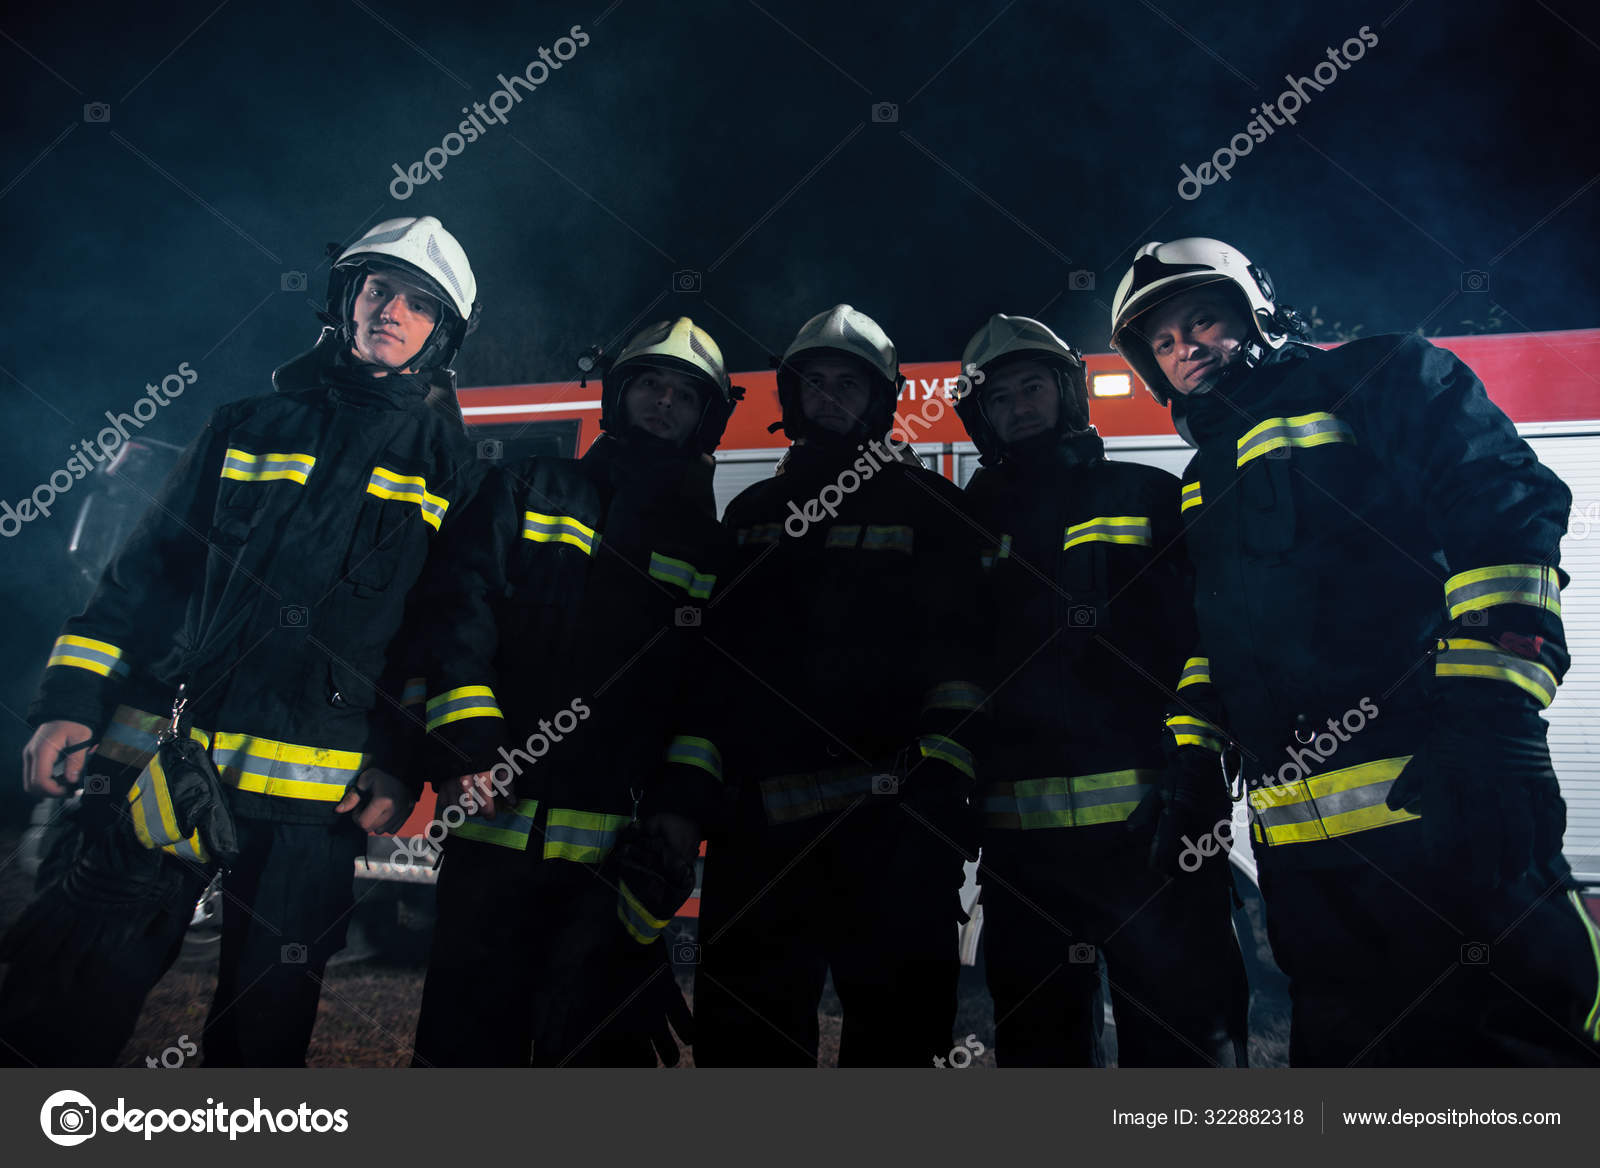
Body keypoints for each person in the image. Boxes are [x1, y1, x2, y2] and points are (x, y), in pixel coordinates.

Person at [1, 215, 481, 1067]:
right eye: (378, 290)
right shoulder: (247, 425)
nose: (391, 312)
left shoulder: (456, 472)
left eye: (417, 303)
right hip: (161, 765)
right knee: (64, 994)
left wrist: (403, 763)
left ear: (439, 335)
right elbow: (142, 578)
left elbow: (444, 635)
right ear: (347, 299)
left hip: (310, 807)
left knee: (260, 1034)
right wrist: (70, 701)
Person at [1109, 236, 1600, 1065]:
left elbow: (1504, 509)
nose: (1186, 347)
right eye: (1162, 342)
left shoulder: (1380, 374)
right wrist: (1194, 766)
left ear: (1256, 312)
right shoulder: (1205, 476)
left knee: (1518, 1055)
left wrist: (1496, 711)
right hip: (1307, 873)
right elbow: (1211, 639)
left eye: (1204, 320)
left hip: (1447, 813)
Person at [410, 317, 738, 1066]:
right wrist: (467, 743)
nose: (664, 402)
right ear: (619, 396)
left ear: (704, 418)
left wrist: (682, 811)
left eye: (684, 396)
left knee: (594, 1061)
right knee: (464, 1055)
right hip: (494, 833)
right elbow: (461, 610)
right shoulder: (529, 484)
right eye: (651, 384)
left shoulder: (707, 545)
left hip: (614, 859)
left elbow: (709, 690)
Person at [692, 304, 986, 1067]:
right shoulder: (751, 515)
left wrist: (939, 798)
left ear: (879, 400)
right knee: (745, 1044)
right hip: (758, 836)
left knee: (895, 1045)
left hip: (890, 835)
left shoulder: (931, 509)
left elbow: (963, 655)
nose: (828, 398)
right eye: (814, 383)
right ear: (789, 400)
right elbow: (716, 665)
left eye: (846, 384)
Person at [956, 313, 1249, 1066]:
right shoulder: (966, 526)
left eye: (1032, 387)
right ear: (980, 416)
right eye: (1000, 398)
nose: (1019, 406)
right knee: (1039, 1057)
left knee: (1186, 1054)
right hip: (1021, 857)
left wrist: (1198, 768)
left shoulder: (1149, 494)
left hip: (1151, 841)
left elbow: (1207, 639)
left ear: (1067, 393)